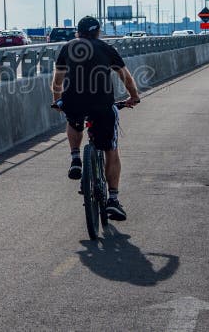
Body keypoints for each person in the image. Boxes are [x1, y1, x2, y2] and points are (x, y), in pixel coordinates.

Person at [51, 16, 141, 221]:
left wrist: (57, 101)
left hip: (74, 101)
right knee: (111, 149)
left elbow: (58, 80)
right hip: (102, 104)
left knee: (73, 121)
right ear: (98, 32)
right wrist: (134, 96)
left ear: (78, 32)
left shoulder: (68, 48)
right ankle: (113, 200)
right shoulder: (106, 48)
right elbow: (125, 77)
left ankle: (76, 158)